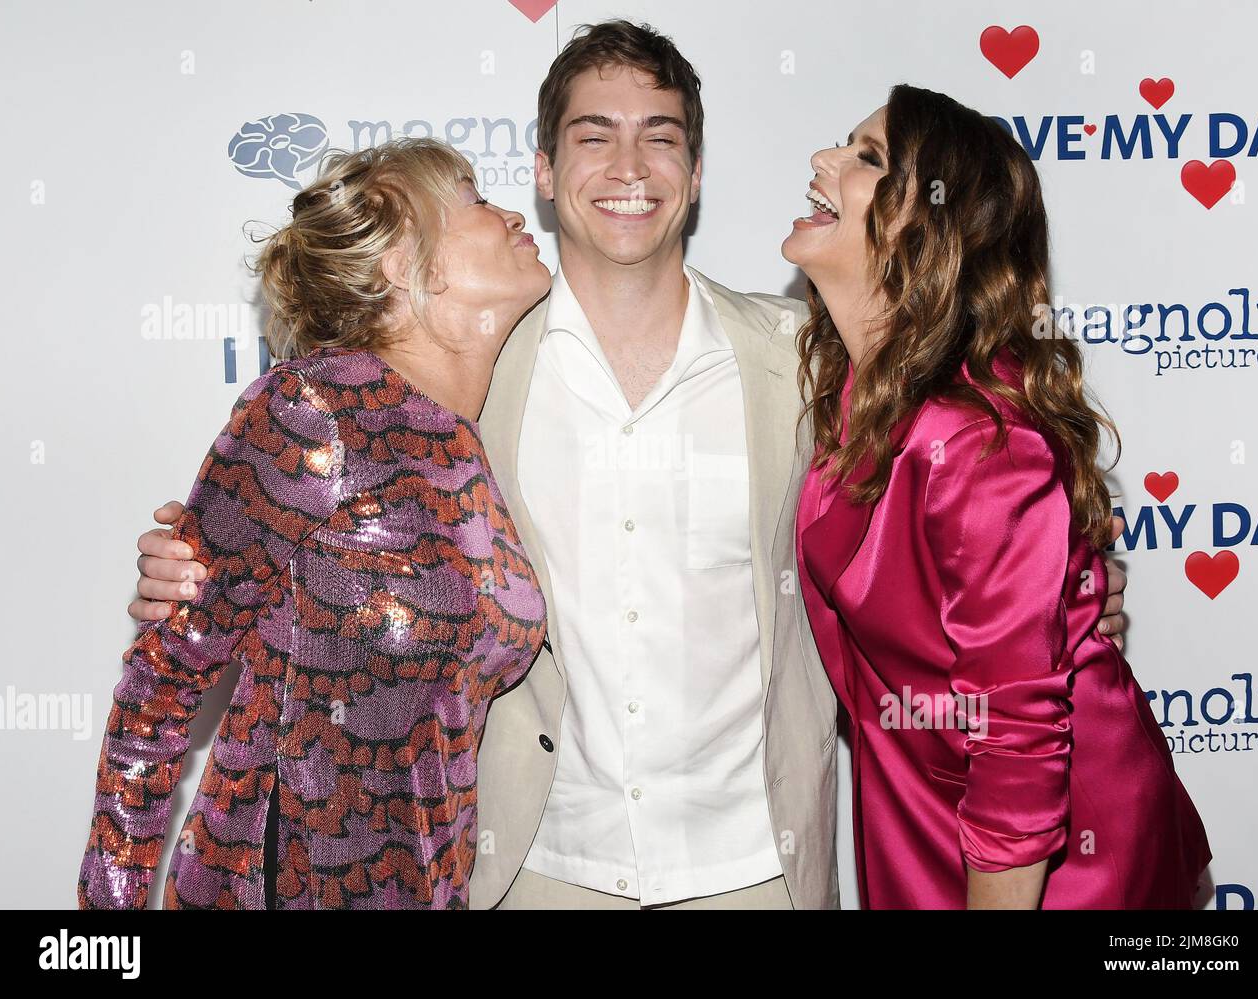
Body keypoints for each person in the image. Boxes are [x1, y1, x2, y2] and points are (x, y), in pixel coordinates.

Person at [122, 21, 1129, 909]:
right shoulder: (464, 372)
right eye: (592, 135)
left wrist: (1062, 597)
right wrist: (202, 568)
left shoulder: (808, 365)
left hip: (758, 873)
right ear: (546, 174)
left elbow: (957, 528)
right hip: (534, 869)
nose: (628, 164)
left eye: (660, 136)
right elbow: (323, 507)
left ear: (695, 175)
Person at [79, 137, 552, 909]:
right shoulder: (311, 410)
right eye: (472, 200)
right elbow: (159, 689)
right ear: (404, 261)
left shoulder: (473, 447)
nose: (509, 214)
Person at [782, 86, 1211, 908]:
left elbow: (1016, 736)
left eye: (867, 158)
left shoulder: (976, 438)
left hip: (1055, 854)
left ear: (932, 227)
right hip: (928, 806)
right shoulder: (859, 395)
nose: (822, 162)